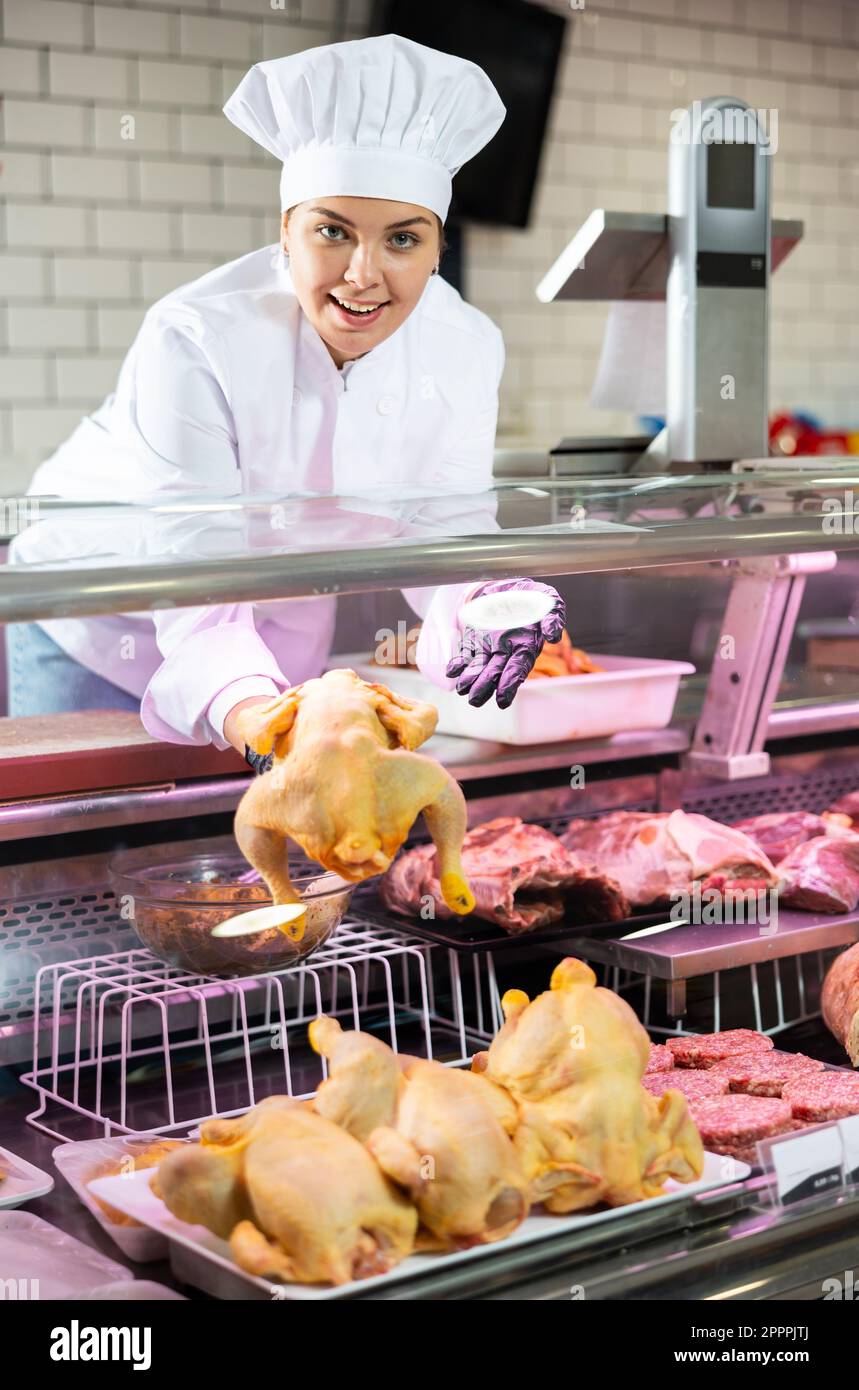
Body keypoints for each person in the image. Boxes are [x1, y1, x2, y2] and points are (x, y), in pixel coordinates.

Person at [7, 34, 563, 761]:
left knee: (243, 860)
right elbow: (194, 564)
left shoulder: (465, 344)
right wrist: (260, 719)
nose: (363, 274)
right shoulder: (198, 336)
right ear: (285, 234)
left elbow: (446, 529)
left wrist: (483, 606)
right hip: (101, 623)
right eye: (332, 231)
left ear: (436, 248)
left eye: (402, 239)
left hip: (277, 635)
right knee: (82, 859)